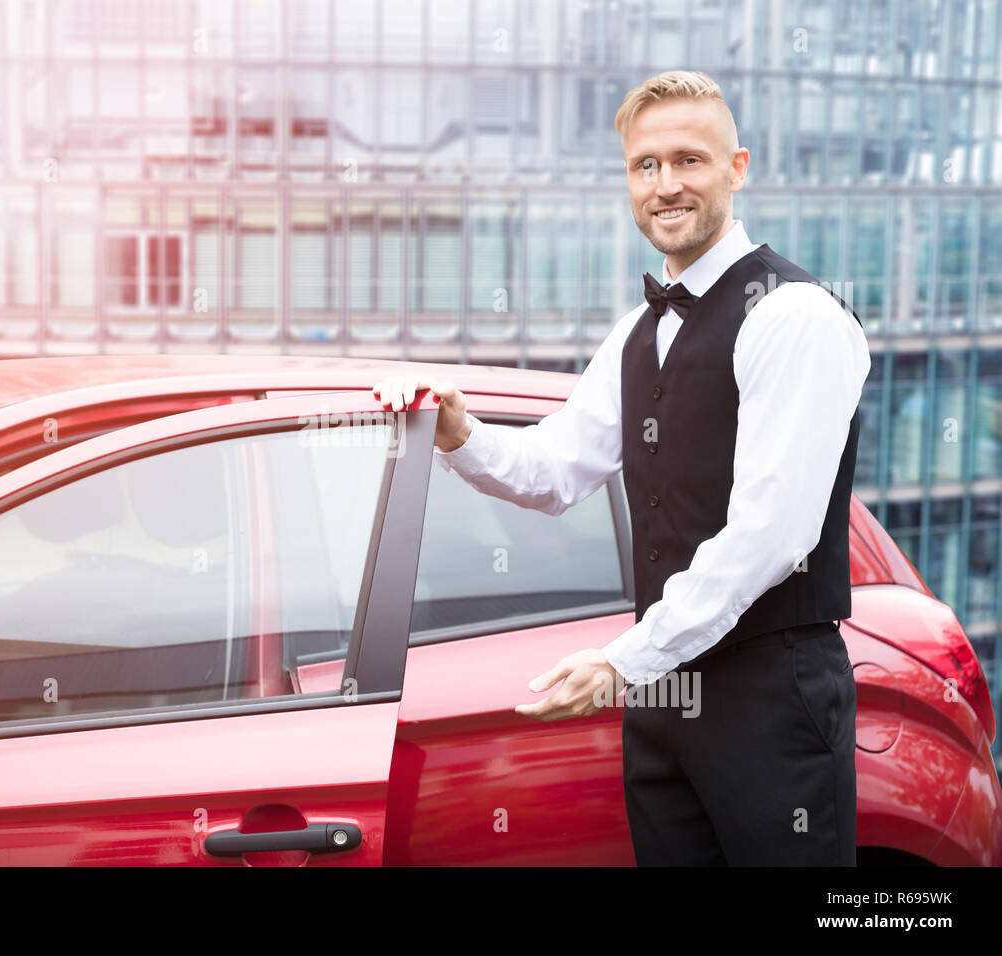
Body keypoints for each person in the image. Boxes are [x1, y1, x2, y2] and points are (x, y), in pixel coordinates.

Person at [372, 70, 870, 866]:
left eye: (689, 161)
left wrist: (622, 660)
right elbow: (553, 469)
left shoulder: (795, 317)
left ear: (737, 168)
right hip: (665, 701)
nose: (665, 185)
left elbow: (771, 535)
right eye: (646, 166)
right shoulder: (640, 331)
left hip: (771, 697)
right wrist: (457, 429)